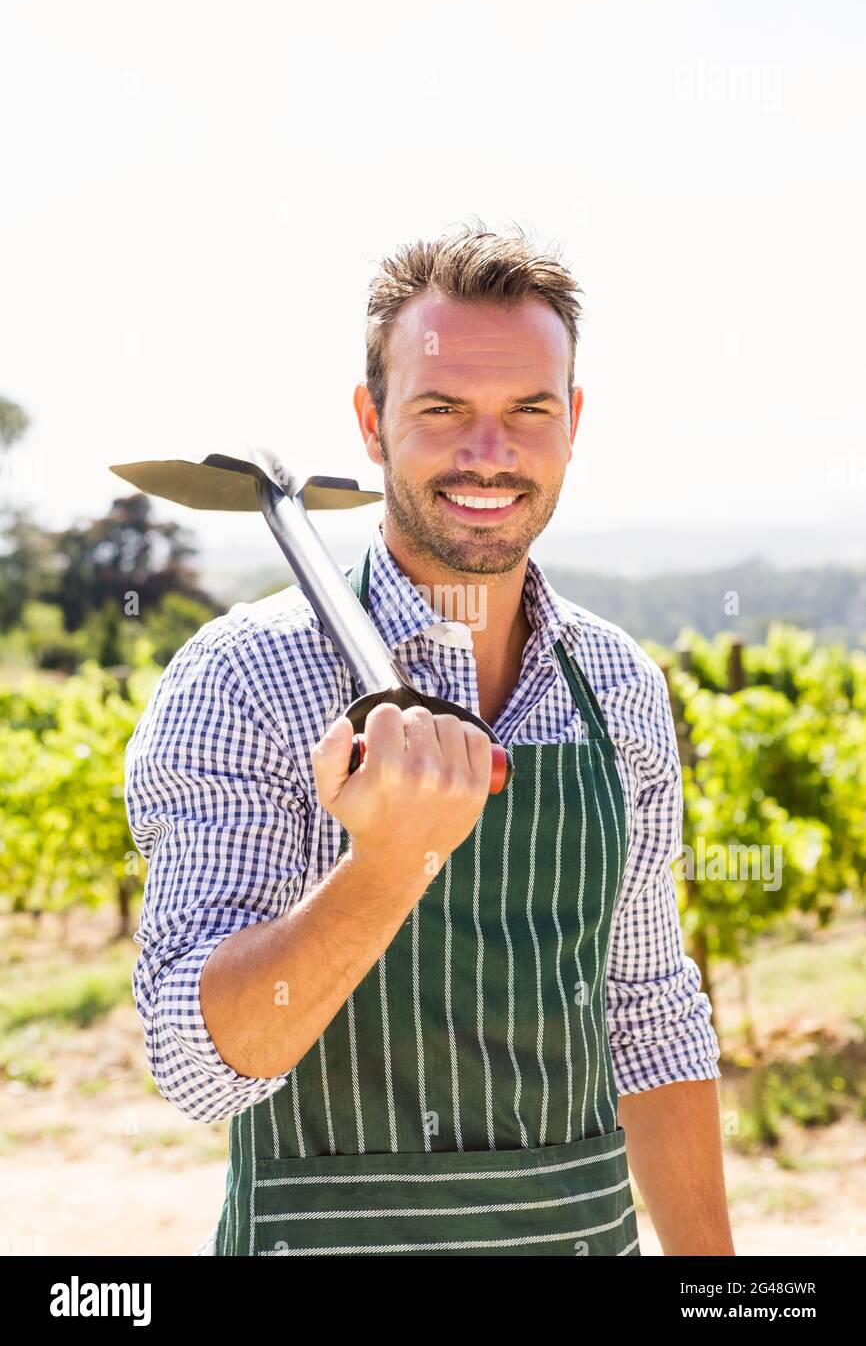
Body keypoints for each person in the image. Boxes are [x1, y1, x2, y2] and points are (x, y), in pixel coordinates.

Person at [126, 222, 734, 1257]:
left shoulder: (614, 685)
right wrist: (386, 865)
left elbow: (647, 1011)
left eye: (526, 411)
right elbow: (199, 1062)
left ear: (572, 421)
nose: (486, 454)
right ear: (370, 421)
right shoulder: (244, 679)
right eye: (442, 409)